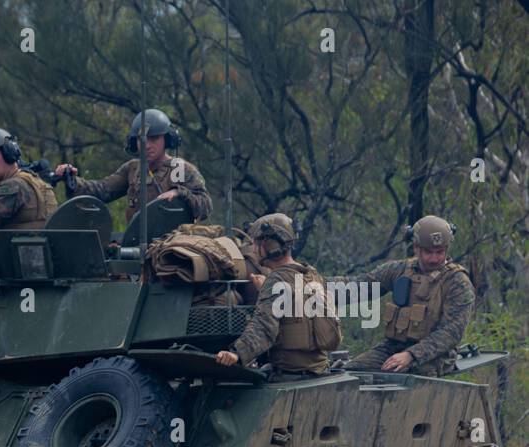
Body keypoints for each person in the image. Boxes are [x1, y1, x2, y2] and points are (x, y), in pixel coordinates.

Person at [323, 216, 474, 376]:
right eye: (428, 252)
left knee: (404, 379)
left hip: (434, 356)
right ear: (416, 248)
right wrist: (310, 285)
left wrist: (411, 355)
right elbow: (359, 286)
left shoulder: (457, 282)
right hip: (393, 348)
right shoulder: (399, 270)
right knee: (351, 373)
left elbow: (450, 332)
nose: (434, 258)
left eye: (440, 252)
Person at [216, 213, 341, 375]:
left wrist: (237, 353)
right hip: (319, 370)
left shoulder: (275, 281)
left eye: (257, 243)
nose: (253, 249)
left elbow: (264, 327)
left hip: (290, 374)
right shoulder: (311, 274)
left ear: (270, 245)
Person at [55, 109, 212, 222]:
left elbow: (206, 205)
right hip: (137, 244)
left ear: (168, 140)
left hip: (174, 247)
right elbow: (102, 190)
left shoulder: (180, 168)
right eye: (142, 140)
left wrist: (180, 193)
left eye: (154, 139)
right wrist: (72, 181)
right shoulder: (133, 169)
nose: (147, 145)